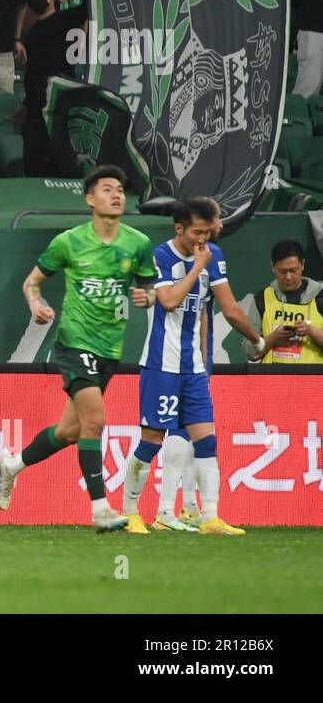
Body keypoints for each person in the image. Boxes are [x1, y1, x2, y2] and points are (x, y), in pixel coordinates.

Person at [0, 165, 158, 532]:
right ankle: (100, 510)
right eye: (106, 189)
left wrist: (145, 297)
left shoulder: (138, 244)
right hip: (73, 343)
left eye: (120, 189)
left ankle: (12, 466)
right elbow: (32, 283)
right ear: (89, 198)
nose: (116, 195)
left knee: (71, 431)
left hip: (109, 348)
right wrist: (35, 305)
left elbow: (151, 290)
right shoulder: (68, 242)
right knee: (96, 421)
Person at [120, 198, 264, 534]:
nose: (202, 240)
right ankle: (129, 512)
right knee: (151, 440)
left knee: (206, 439)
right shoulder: (160, 256)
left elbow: (226, 308)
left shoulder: (213, 255)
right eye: (196, 233)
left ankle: (210, 516)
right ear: (179, 228)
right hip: (161, 365)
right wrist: (198, 266)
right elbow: (168, 302)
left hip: (193, 368)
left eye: (206, 232)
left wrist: (251, 341)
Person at [241, 239, 323, 363]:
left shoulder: (320, 297)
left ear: (303, 265)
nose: (288, 277)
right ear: (273, 267)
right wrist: (272, 338)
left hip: (311, 379)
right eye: (282, 272)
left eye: (293, 270)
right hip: (272, 379)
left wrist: (311, 330)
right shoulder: (262, 298)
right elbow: (249, 352)